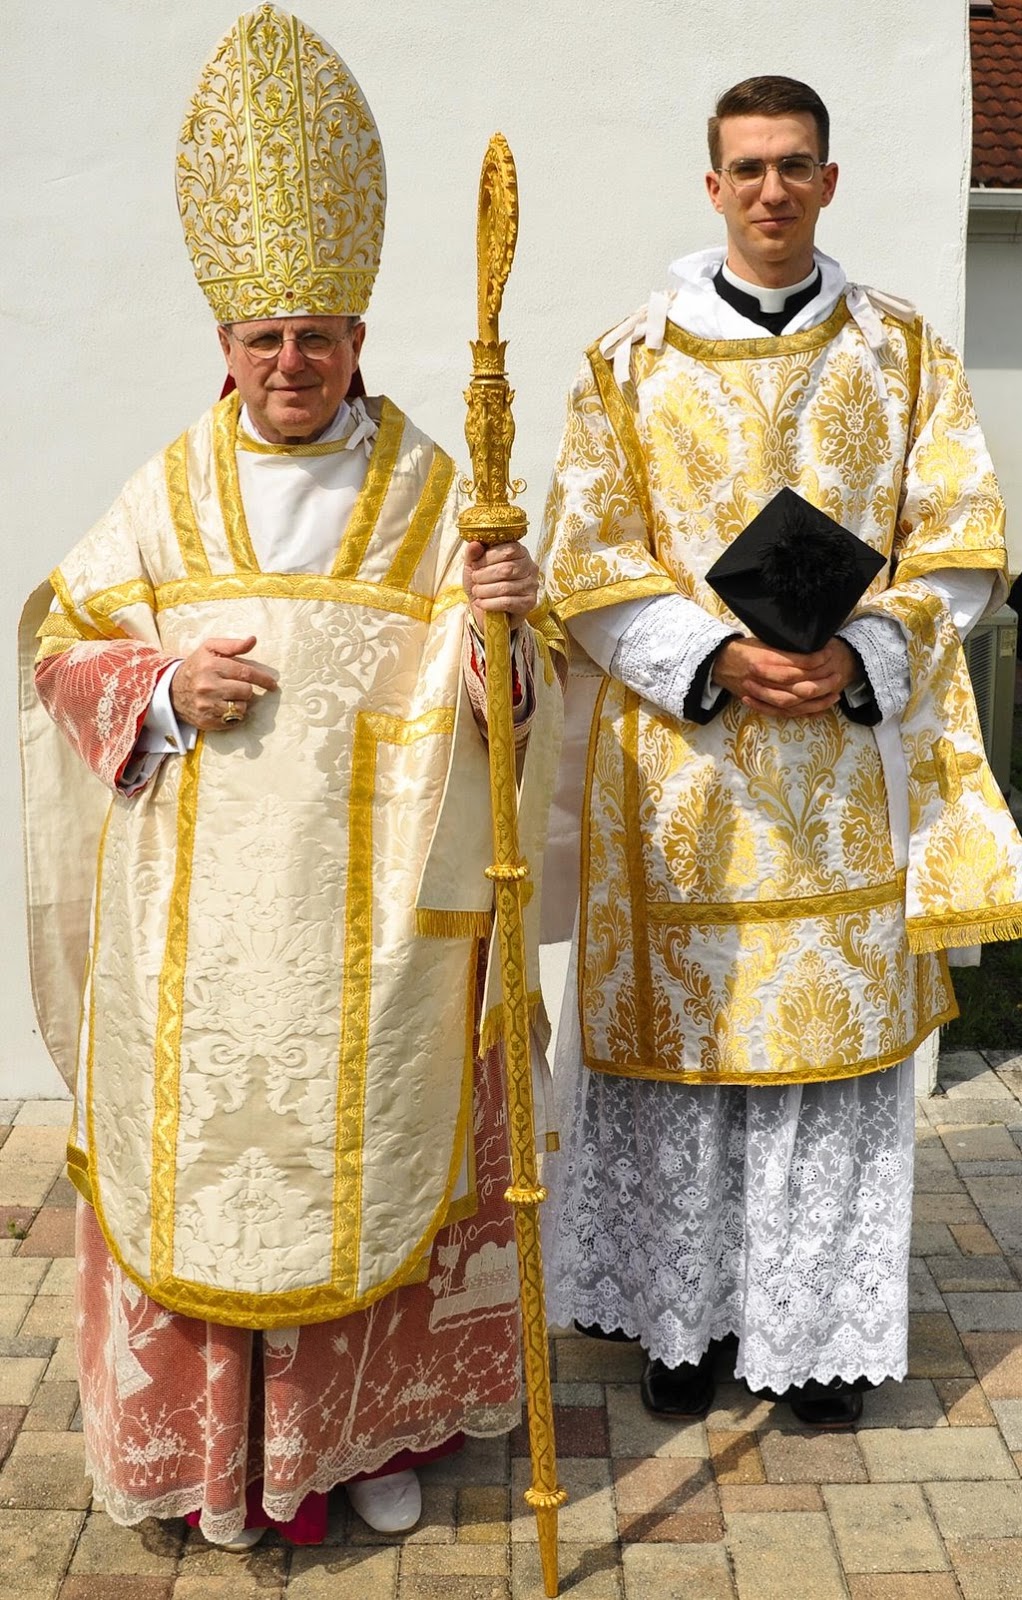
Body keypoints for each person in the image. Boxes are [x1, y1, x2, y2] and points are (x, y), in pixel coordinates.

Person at [19, 4, 562, 1549]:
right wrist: (160, 683)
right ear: (225, 344)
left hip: (368, 927)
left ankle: (360, 1437)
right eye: (264, 338)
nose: (290, 364)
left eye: (316, 336)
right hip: (194, 929)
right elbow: (60, 645)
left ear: (358, 339)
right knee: (213, 1186)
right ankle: (218, 1460)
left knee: (379, 1160)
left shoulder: (433, 486)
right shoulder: (168, 488)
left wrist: (508, 635)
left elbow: (509, 701)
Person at [539, 74, 1022, 1430]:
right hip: (683, 783)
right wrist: (712, 659)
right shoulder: (627, 359)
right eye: (745, 167)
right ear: (711, 186)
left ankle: (811, 1342)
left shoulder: (904, 352)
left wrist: (857, 654)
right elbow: (588, 558)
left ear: (826, 182)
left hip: (843, 781)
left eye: (793, 165)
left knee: (830, 1069)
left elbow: (962, 544)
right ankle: (683, 1330)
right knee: (685, 1064)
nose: (769, 190)